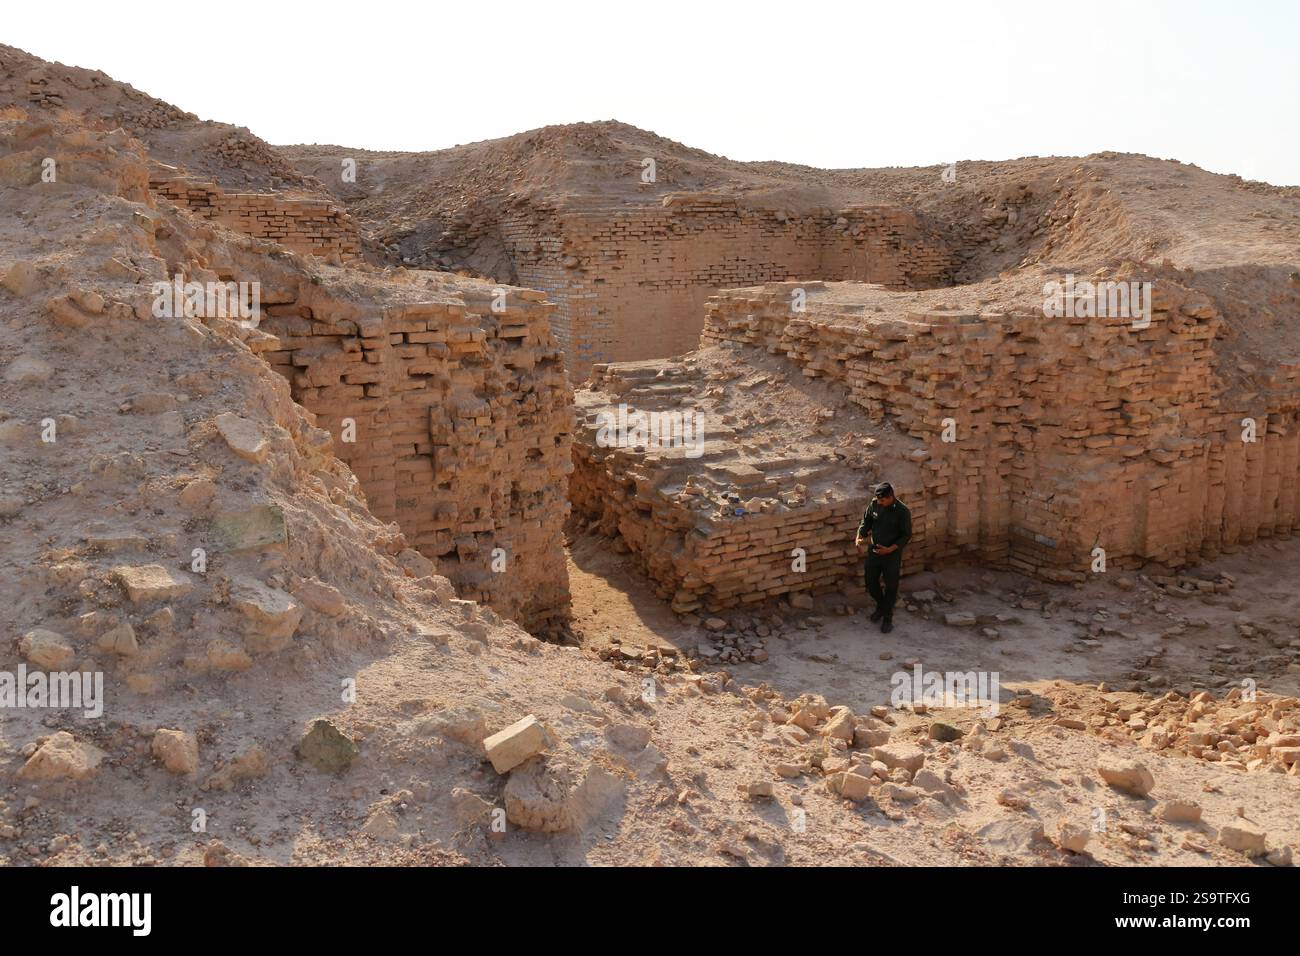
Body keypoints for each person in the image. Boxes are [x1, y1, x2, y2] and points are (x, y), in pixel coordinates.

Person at [854, 482, 912, 633]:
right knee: (870, 582)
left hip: (891, 554)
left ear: (890, 497)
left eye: (882, 500)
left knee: (891, 586)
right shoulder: (874, 505)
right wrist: (860, 536)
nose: (879, 503)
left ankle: (887, 617)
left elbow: (906, 535)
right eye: (878, 500)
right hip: (874, 551)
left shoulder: (902, 511)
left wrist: (890, 549)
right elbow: (866, 522)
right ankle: (881, 606)